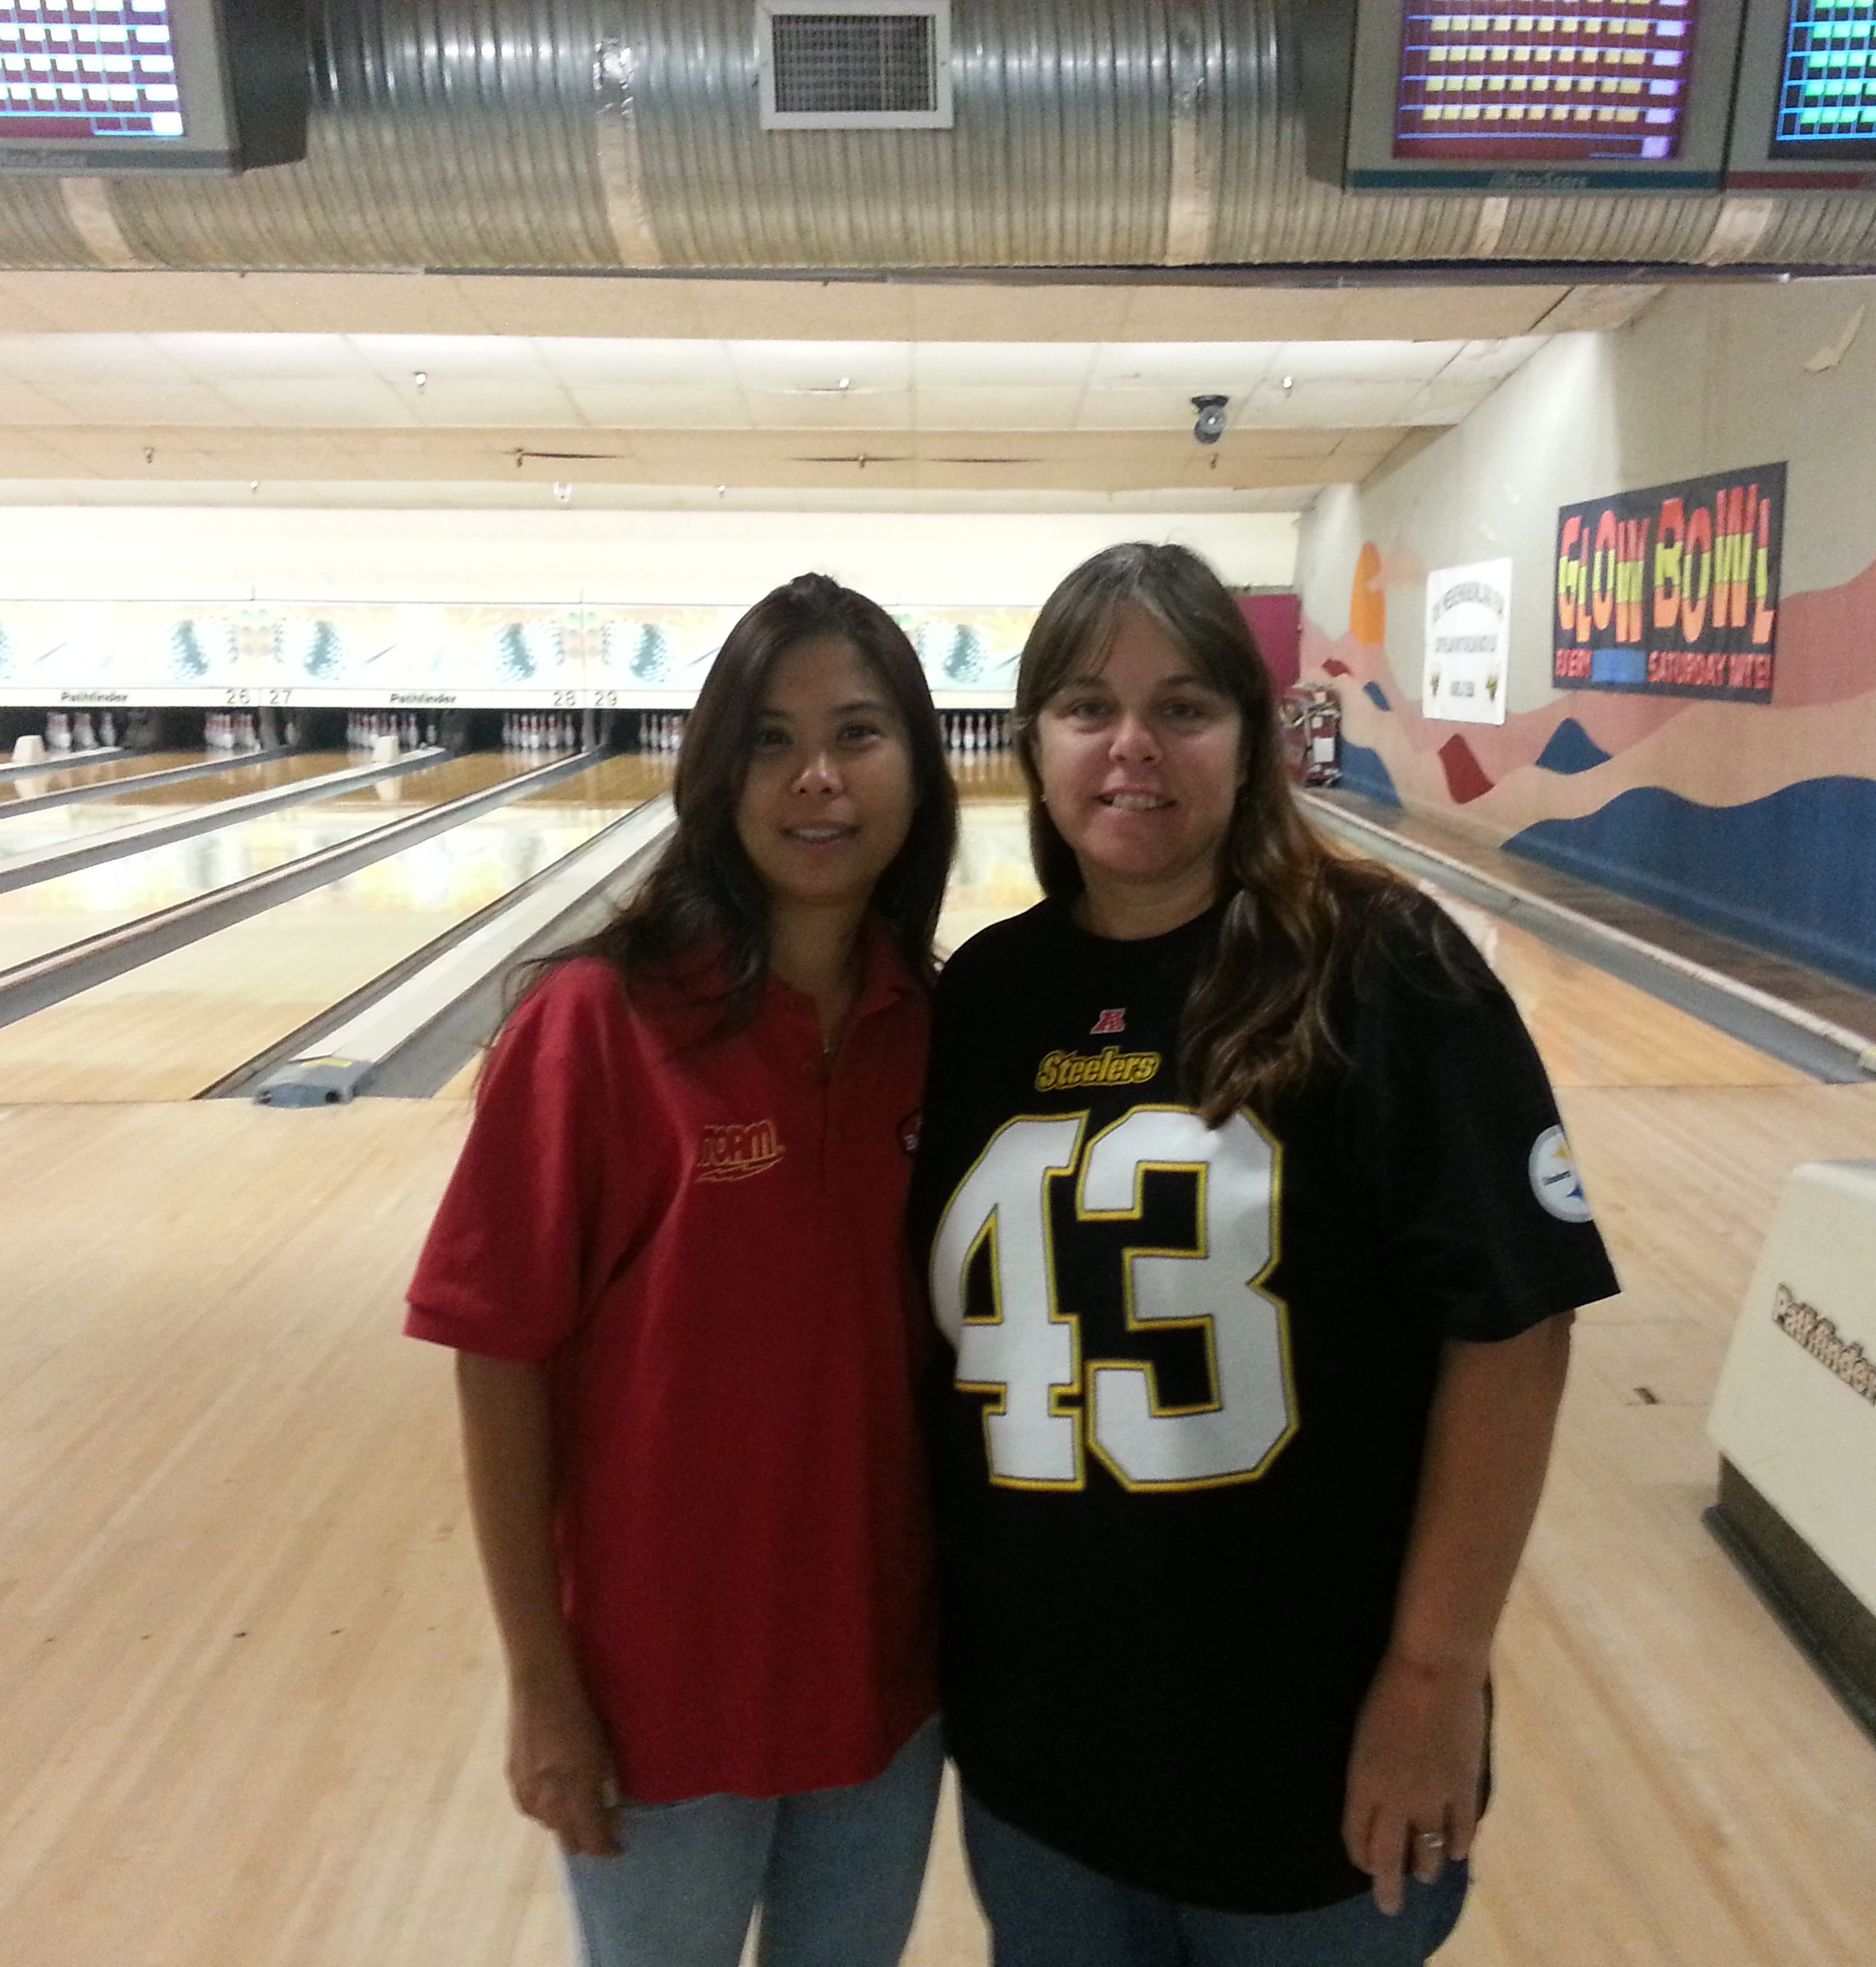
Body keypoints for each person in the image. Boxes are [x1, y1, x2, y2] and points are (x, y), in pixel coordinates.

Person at [909, 542, 1621, 1965]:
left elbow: (1515, 1328)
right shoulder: (987, 996)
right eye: (1087, 707)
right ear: (1033, 742)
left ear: (1252, 737)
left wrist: (1435, 1675)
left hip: (1314, 1755)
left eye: (1184, 707)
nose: (1133, 746)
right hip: (1041, 1756)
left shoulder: (1380, 963)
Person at [406, 574, 959, 1967]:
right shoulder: (594, 1024)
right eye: (771, 740)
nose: (817, 778)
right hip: (656, 1694)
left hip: (886, 1680)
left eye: (858, 733)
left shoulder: (943, 1031)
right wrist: (541, 1683)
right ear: (717, 772)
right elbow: (497, 1357)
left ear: (919, 764)